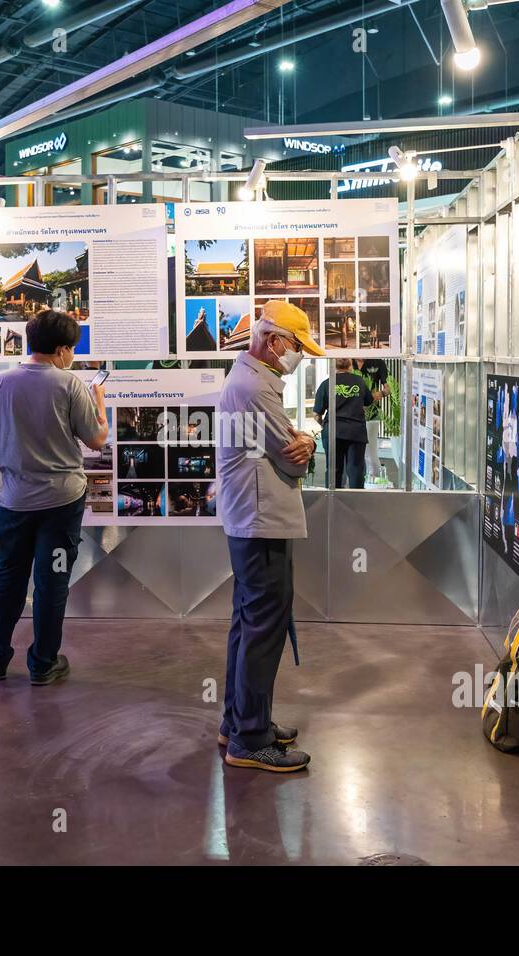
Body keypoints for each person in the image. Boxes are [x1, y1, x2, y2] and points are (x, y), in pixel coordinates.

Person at [0, 309, 109, 686]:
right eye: (72, 349)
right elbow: (96, 439)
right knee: (52, 580)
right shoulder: (71, 384)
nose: (72, 357)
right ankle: (43, 664)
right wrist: (100, 402)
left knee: (7, 578)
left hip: (14, 503)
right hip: (62, 505)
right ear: (62, 349)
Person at [215, 299, 322, 772]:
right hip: (261, 522)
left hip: (253, 518)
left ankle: (238, 721)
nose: (298, 356)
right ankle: (250, 738)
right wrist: (309, 442)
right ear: (273, 339)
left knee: (249, 621)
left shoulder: (250, 381)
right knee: (263, 626)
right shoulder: (255, 388)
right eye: (297, 346)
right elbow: (290, 455)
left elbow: (283, 445)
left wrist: (300, 440)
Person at [313, 357, 375, 488]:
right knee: (356, 469)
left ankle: (332, 502)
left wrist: (324, 425)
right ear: (350, 366)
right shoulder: (359, 381)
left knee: (333, 469)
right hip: (356, 432)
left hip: (333, 431)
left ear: (334, 366)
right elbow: (368, 401)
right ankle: (357, 503)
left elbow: (316, 414)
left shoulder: (327, 383)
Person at [354, 358, 390, 483]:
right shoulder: (346, 361)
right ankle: (354, 487)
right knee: (353, 456)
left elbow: (388, 388)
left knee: (370, 454)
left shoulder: (378, 362)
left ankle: (375, 485)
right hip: (350, 416)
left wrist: (376, 396)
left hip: (371, 414)